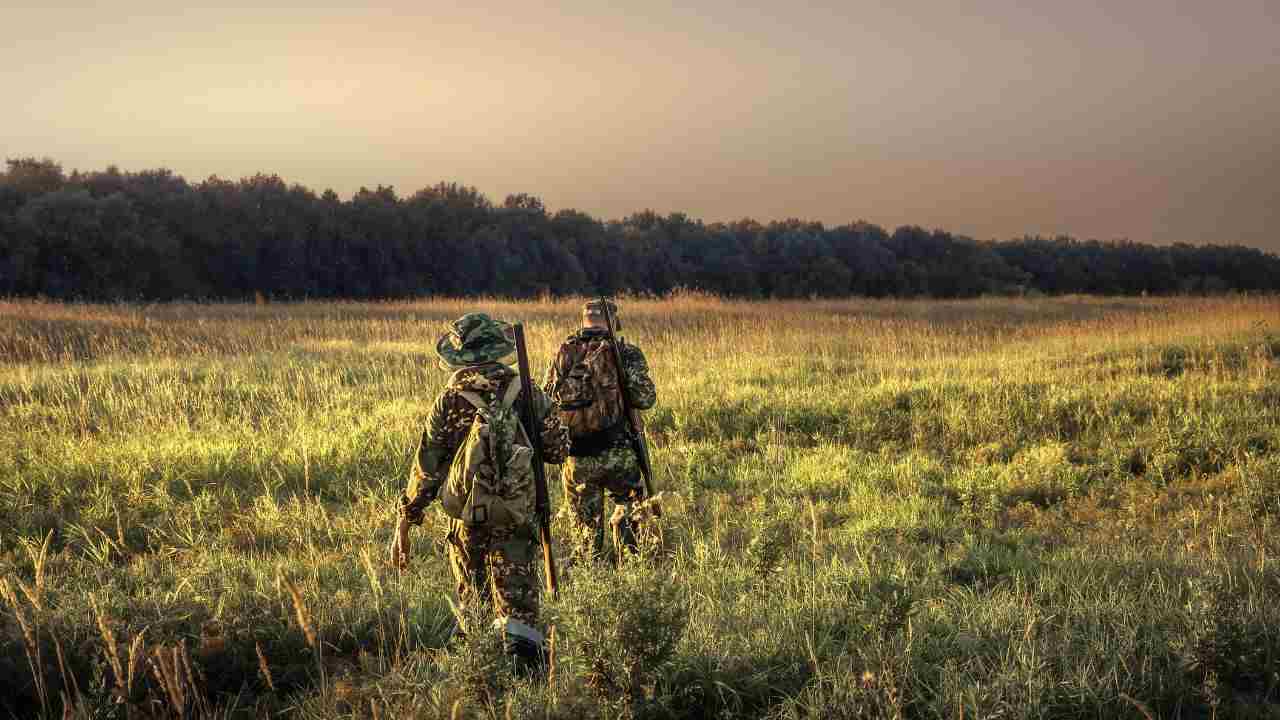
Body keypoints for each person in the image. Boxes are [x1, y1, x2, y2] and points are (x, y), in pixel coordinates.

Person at [396, 312, 569, 664]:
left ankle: (480, 681)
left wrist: (405, 520)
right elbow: (557, 450)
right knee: (519, 612)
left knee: (473, 604)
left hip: (466, 518)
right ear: (497, 349)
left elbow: (427, 470)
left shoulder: (449, 400)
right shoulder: (526, 391)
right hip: (517, 515)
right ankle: (529, 687)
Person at [543, 299, 657, 565]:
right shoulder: (625, 352)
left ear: (583, 321)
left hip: (577, 459)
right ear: (613, 322)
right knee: (630, 518)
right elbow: (644, 398)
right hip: (619, 455)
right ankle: (631, 573)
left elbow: (547, 401)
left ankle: (590, 580)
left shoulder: (564, 352)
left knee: (585, 534)